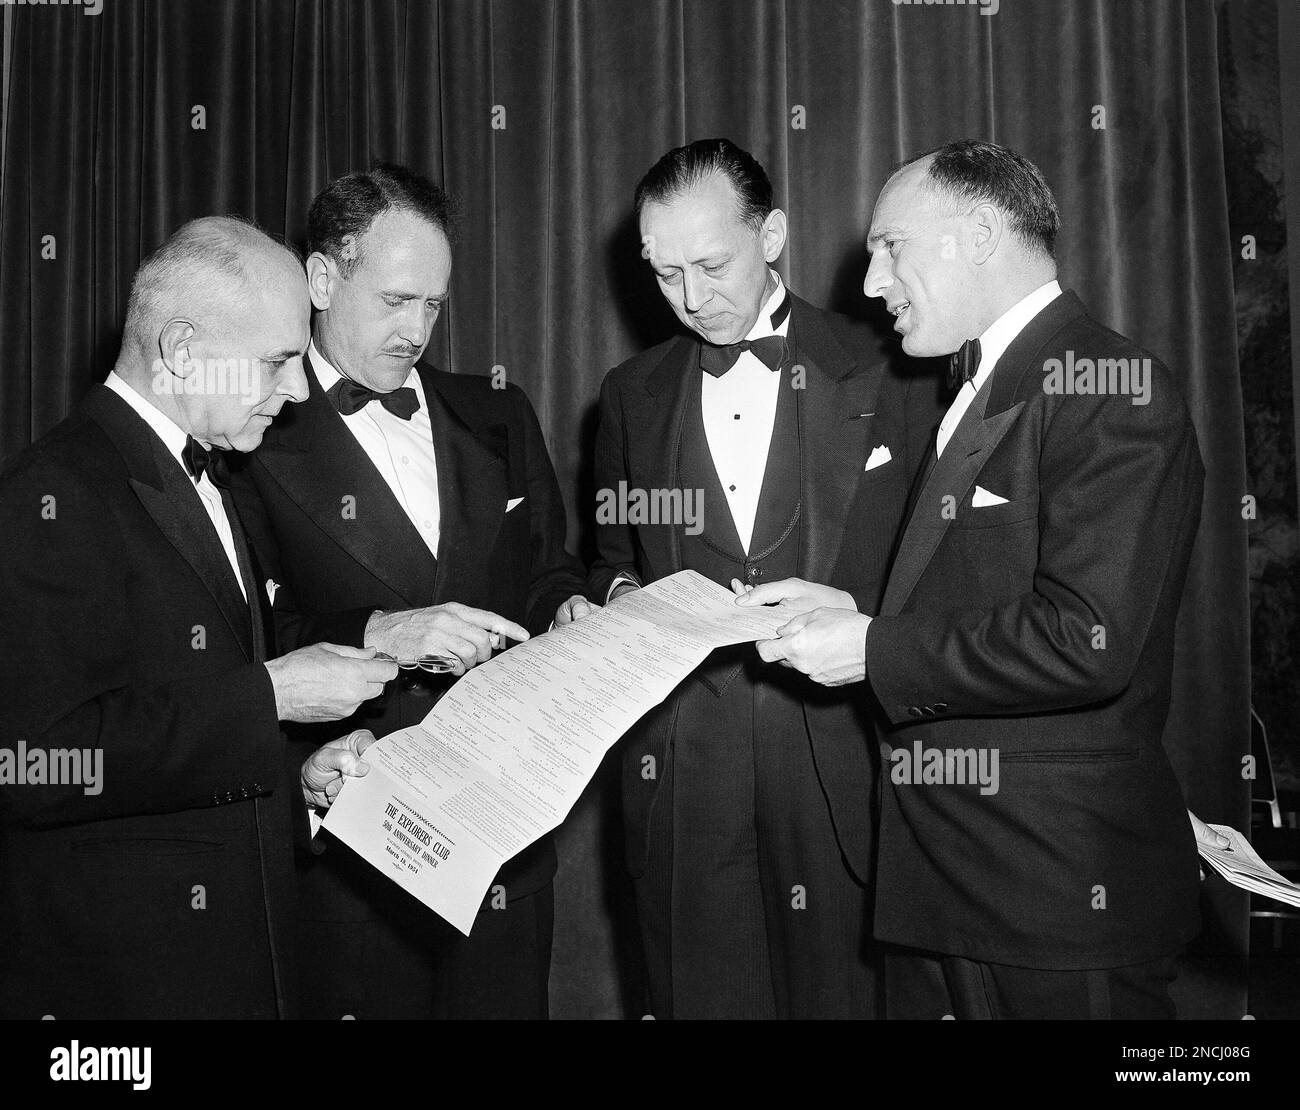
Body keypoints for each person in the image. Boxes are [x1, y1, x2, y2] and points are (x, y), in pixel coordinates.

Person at [741, 140, 1206, 1019]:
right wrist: (855, 609)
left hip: (1052, 894)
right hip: (944, 881)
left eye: (891, 247)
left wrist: (874, 648)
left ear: (982, 233)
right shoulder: (977, 381)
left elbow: (1085, 641)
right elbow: (979, 594)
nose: (871, 282)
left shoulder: (1111, 386)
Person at [555, 138, 939, 1018]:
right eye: (665, 274)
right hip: (682, 782)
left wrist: (859, 614)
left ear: (771, 237)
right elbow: (614, 559)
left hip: (848, 773)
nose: (691, 299)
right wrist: (615, 604)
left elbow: (944, 572)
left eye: (712, 265)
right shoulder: (630, 394)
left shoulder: (899, 364)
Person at [0, 216, 398, 1019]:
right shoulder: (50, 493)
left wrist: (297, 780)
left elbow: (191, 707)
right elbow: (33, 766)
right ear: (182, 350)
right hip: (128, 985)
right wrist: (273, 696)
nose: (298, 391)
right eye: (278, 361)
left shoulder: (218, 478)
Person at [229, 163, 585, 1020]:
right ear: (321, 279)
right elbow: (242, 642)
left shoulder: (500, 413)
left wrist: (570, 611)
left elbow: (547, 571)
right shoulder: (247, 435)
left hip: (504, 841)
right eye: (395, 301)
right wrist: (379, 628)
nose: (417, 330)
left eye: (433, 305)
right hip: (352, 851)